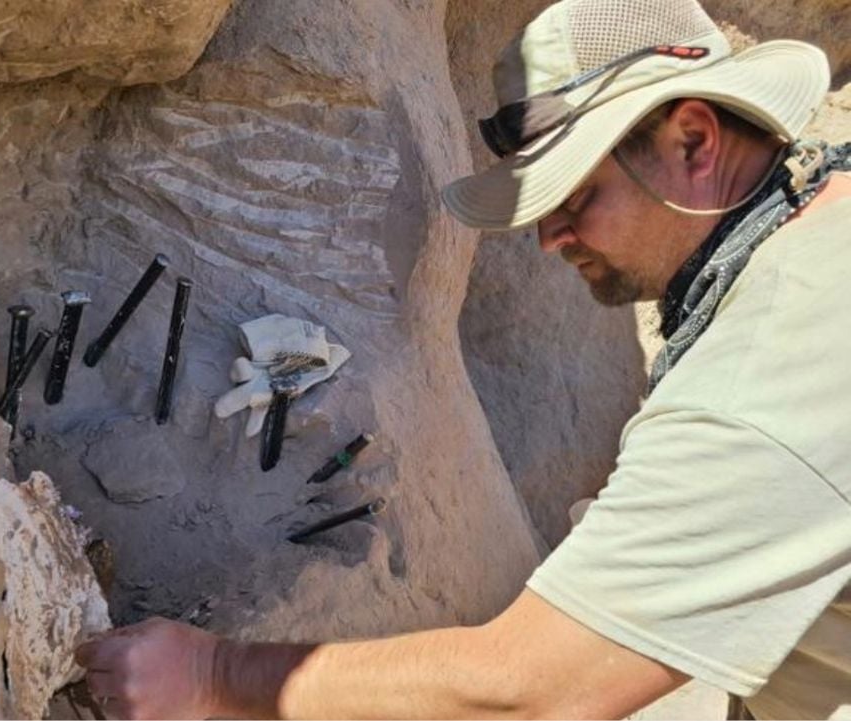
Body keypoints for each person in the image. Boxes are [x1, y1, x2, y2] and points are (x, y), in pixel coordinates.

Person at [75, 0, 851, 717]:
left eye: (574, 196)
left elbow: (530, 689)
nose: (549, 239)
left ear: (693, 141)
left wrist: (212, 677)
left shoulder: (761, 375)